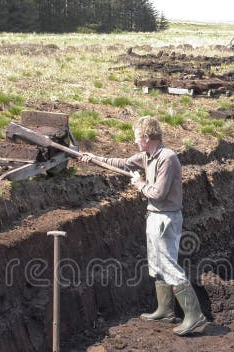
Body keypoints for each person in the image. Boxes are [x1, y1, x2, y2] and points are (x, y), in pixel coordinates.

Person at [80, 116, 206, 336]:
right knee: (157, 265)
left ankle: (195, 317)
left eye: (137, 138)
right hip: (155, 216)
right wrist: (93, 158)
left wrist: (140, 184)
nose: (135, 142)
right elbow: (123, 162)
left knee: (168, 265)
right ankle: (165, 310)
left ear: (147, 137)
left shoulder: (168, 158)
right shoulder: (148, 155)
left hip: (165, 218)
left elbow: (158, 194)